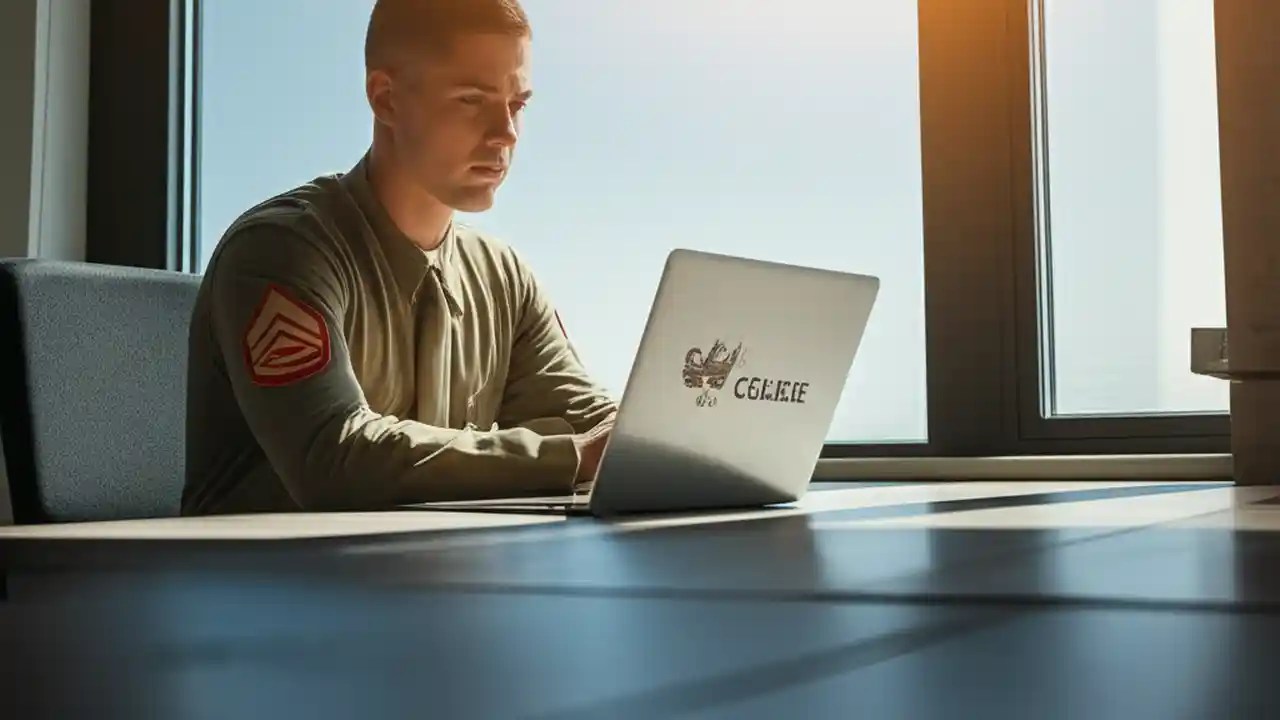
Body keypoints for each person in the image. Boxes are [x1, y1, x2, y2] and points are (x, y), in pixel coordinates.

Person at [181, 0, 616, 515]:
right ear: (385, 98)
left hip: (423, 574)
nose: (507, 134)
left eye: (516, 104)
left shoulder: (504, 278)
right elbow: (334, 457)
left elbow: (596, 427)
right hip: (260, 583)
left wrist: (667, 438)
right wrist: (568, 458)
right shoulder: (281, 251)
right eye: (472, 100)